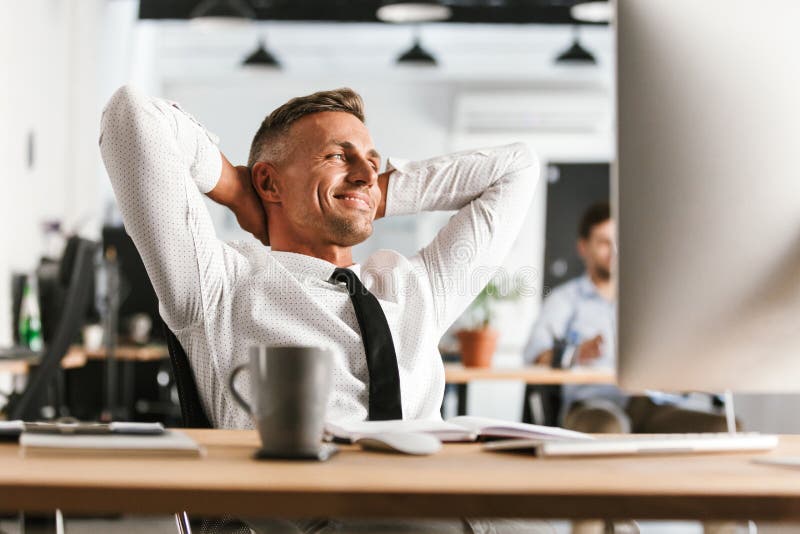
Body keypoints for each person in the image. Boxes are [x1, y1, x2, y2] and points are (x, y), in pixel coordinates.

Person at [99, 85, 552, 533]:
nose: (364, 172)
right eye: (337, 156)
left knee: (613, 513)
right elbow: (131, 118)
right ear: (270, 181)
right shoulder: (218, 281)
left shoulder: (416, 286)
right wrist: (236, 189)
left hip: (446, 498)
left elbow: (516, 168)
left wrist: (371, 191)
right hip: (318, 514)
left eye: (371, 161)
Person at [524, 202, 739, 534]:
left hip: (649, 404)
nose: (613, 251)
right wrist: (576, 352)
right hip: (593, 407)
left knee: (725, 429)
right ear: (584, 248)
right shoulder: (566, 301)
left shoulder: (645, 300)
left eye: (618, 242)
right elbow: (534, 354)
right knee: (605, 432)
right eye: (603, 242)